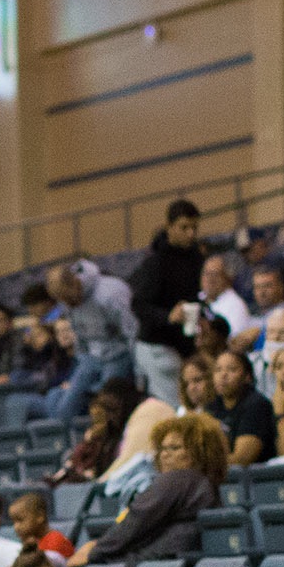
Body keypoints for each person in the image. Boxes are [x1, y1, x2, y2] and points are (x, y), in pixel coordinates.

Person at [66, 412, 228, 566]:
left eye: (174, 448)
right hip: (165, 564)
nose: (164, 454)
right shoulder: (203, 484)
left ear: (200, 451)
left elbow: (138, 519)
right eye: (162, 448)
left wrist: (94, 551)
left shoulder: (179, 479)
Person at [128, 198, 208, 402]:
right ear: (169, 227)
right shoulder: (155, 263)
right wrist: (167, 316)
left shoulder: (197, 258)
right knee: (173, 403)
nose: (190, 233)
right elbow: (138, 305)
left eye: (194, 228)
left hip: (184, 344)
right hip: (157, 345)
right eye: (184, 227)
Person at [44, 260, 134, 420]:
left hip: (119, 354)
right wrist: (81, 361)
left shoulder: (110, 293)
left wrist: (139, 371)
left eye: (67, 298)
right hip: (90, 357)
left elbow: (132, 333)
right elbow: (79, 336)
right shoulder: (66, 302)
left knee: (106, 405)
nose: (67, 304)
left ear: (75, 283)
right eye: (62, 300)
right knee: (64, 408)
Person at [50, 383, 135, 484]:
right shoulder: (90, 440)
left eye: (100, 417)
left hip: (96, 484)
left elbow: (98, 476)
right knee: (54, 393)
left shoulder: (117, 443)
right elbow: (69, 467)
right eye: (94, 418)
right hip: (79, 481)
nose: (96, 421)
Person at [206, 349, 277, 466]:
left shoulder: (256, 405)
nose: (223, 375)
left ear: (247, 376)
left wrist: (201, 464)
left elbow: (242, 459)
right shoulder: (212, 405)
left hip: (256, 474)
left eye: (231, 369)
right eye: (218, 370)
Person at [8, 491, 73, 562]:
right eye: (14, 522)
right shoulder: (33, 541)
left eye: (20, 520)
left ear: (40, 517)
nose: (16, 527)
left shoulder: (54, 541)